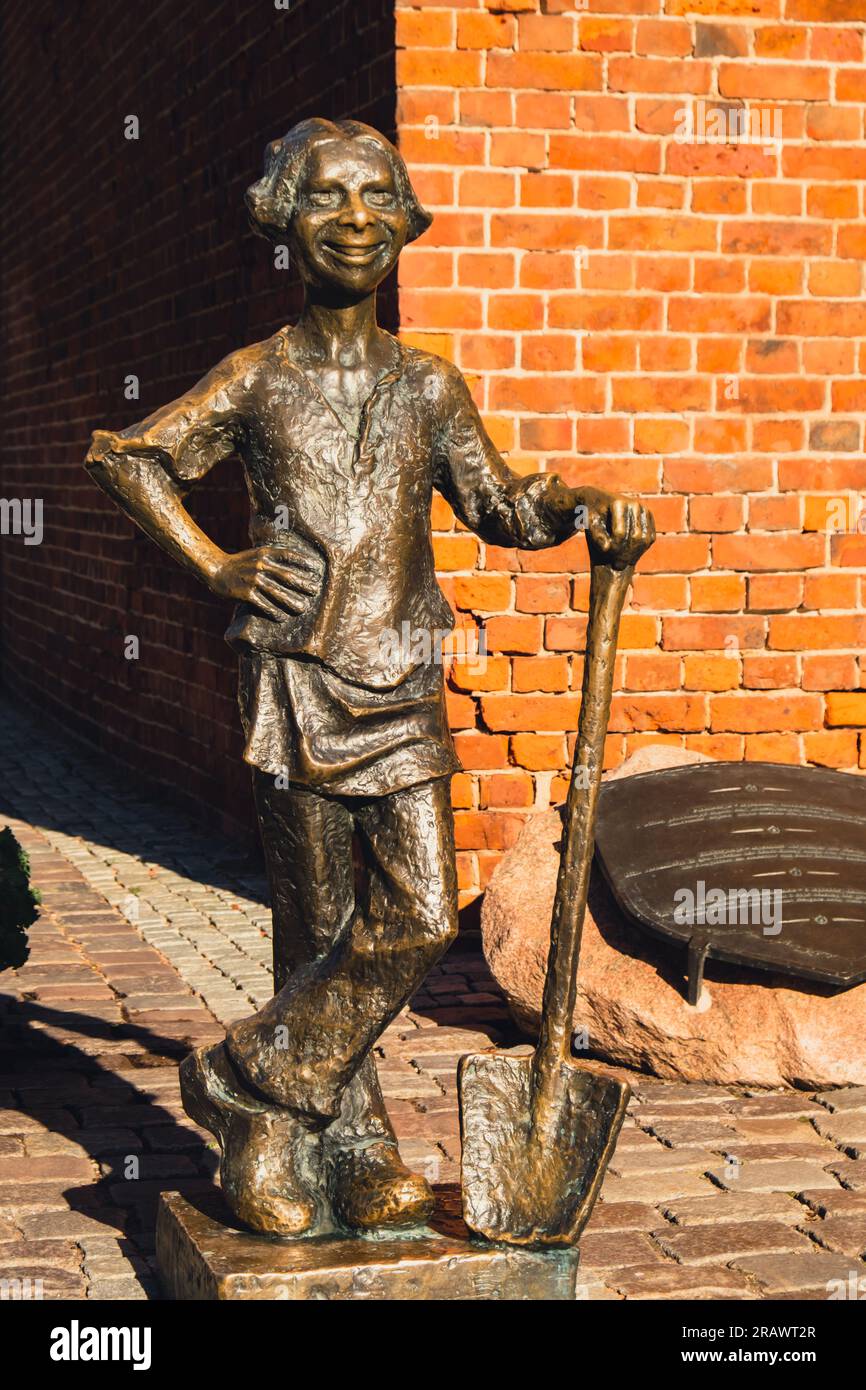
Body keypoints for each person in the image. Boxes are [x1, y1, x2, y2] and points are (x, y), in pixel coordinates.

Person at [86, 118, 654, 1239]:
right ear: (284, 223)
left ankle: (246, 1084)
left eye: (376, 197)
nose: (354, 218)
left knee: (414, 914)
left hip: (398, 682)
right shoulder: (255, 379)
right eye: (327, 197)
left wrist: (584, 501)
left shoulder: (427, 386)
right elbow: (128, 454)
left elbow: (499, 503)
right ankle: (339, 1146)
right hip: (294, 684)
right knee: (315, 929)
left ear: (404, 223)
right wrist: (220, 564)